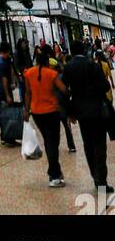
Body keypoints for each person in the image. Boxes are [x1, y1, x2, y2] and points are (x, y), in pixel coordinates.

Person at [62, 39, 113, 193]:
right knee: (100, 147)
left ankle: (95, 176)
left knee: (88, 145)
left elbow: (64, 91)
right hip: (97, 112)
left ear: (71, 51)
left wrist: (70, 112)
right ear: (84, 51)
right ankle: (102, 181)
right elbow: (105, 87)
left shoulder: (68, 67)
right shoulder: (93, 66)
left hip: (81, 114)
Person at [23, 43, 68, 188]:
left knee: (48, 141)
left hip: (37, 112)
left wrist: (26, 111)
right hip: (52, 111)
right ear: (47, 62)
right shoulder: (52, 73)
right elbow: (64, 90)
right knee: (53, 142)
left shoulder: (28, 73)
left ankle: (55, 171)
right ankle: (53, 175)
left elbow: (28, 93)